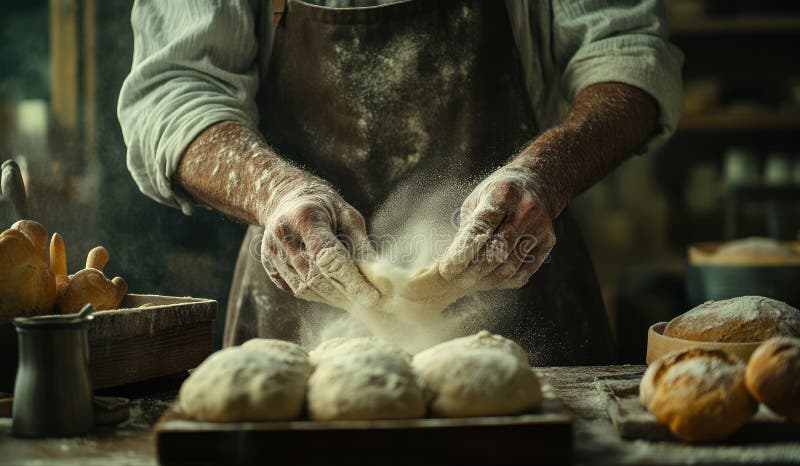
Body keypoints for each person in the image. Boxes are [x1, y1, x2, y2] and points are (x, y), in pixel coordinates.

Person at [118, 0, 683, 365]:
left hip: (518, 275)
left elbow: (629, 52)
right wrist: (274, 191)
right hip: (297, 289)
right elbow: (173, 88)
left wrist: (545, 174)